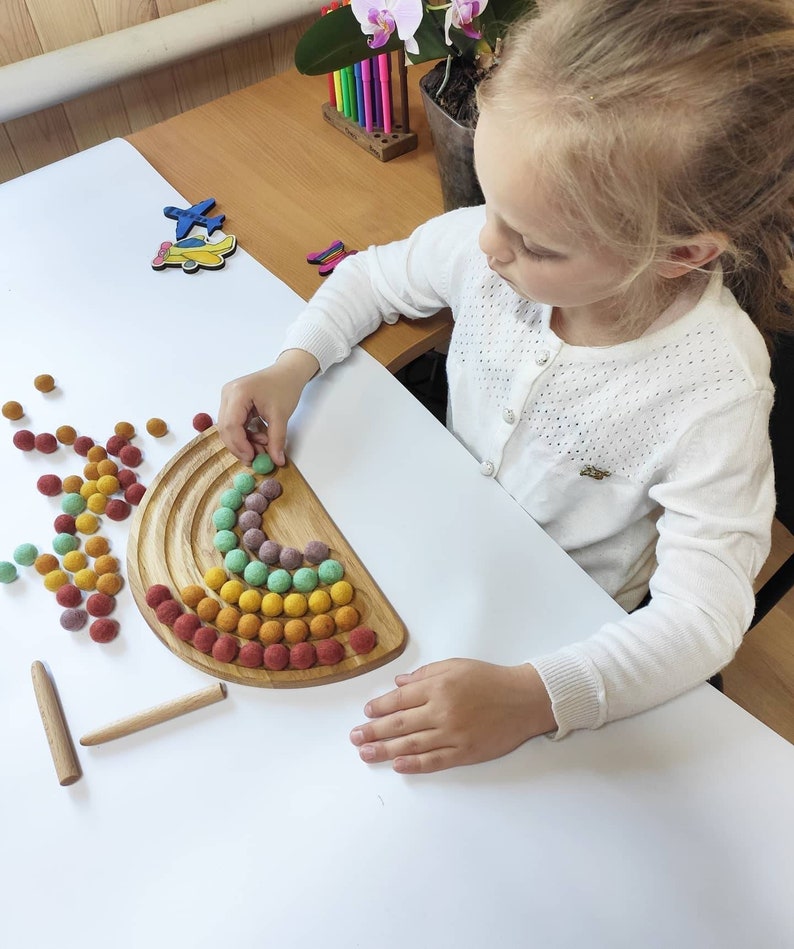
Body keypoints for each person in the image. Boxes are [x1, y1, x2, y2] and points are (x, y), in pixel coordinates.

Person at [218, 0, 794, 773]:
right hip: (431, 555)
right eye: (492, 206)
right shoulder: (492, 244)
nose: (486, 245)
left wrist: (533, 699)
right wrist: (293, 364)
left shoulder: (713, 390)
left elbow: (701, 615)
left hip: (556, 629)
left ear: (680, 252)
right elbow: (374, 277)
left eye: (535, 243)